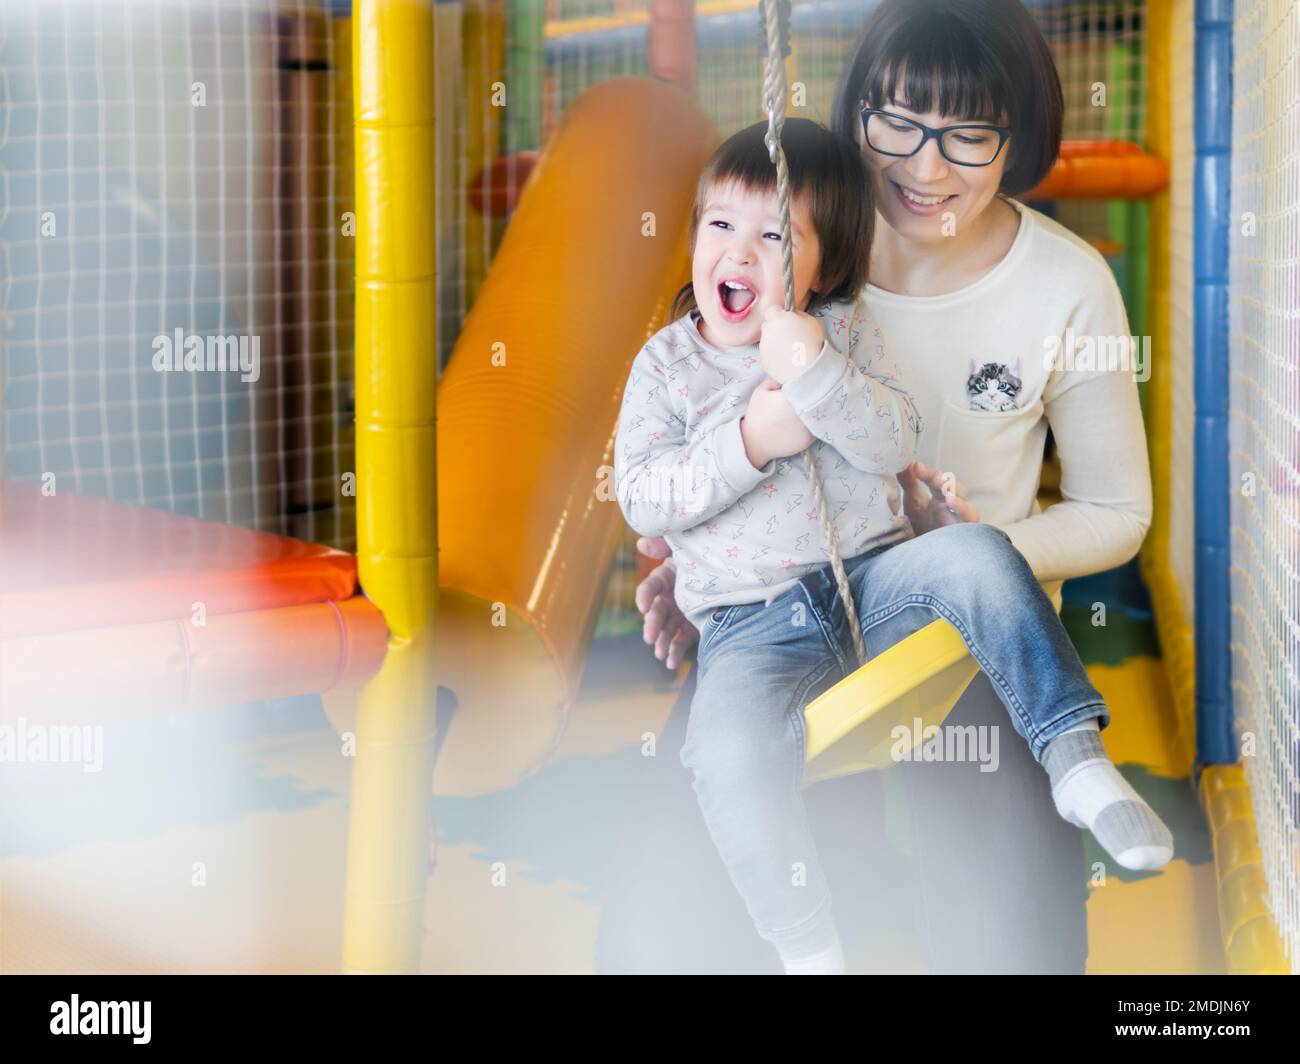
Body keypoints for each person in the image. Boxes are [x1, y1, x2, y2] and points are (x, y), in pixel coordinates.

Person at [621, 0, 1160, 974]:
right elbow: (696, 421)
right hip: (787, 623)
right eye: (896, 123)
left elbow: (1117, 512)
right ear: (857, 108)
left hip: (970, 637)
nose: (924, 165)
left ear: (1020, 133)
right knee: (683, 901)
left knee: (1010, 936)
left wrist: (976, 553)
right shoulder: (796, 243)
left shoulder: (1068, 284)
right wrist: (685, 563)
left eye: (966, 134)